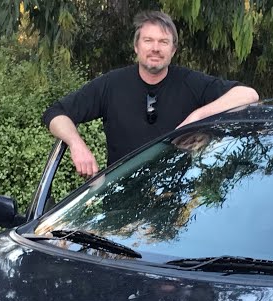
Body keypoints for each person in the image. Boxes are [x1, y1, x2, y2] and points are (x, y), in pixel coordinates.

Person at [41, 10, 260, 177]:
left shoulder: (190, 82)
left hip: (179, 204)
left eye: (163, 42)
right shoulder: (111, 84)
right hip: (119, 204)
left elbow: (248, 94)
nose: (156, 48)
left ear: (173, 50)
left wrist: (196, 118)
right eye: (148, 40)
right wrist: (77, 145)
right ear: (136, 47)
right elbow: (56, 113)